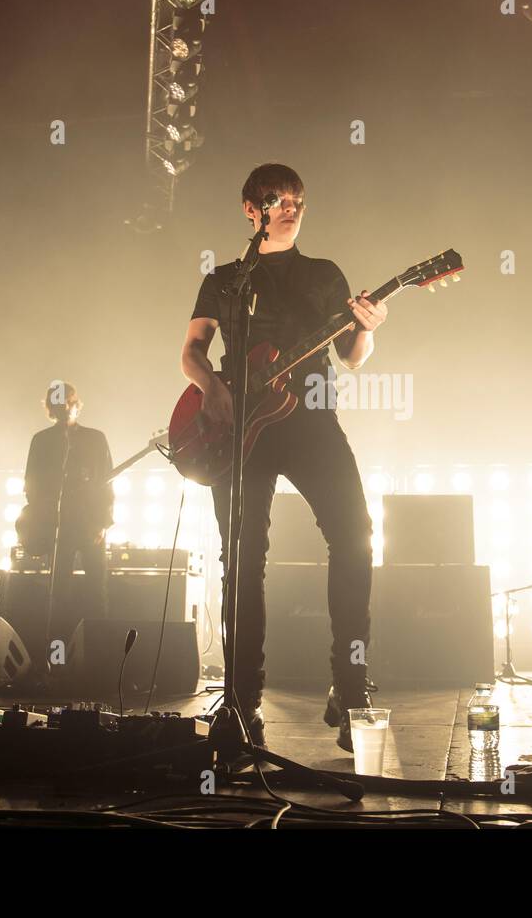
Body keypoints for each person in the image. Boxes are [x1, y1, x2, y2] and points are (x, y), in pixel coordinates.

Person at [180, 162, 384, 751]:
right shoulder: (225, 279)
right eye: (277, 199)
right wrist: (211, 388)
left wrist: (368, 327)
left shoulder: (325, 274)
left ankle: (350, 686)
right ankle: (243, 703)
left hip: (313, 419)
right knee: (242, 560)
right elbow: (193, 350)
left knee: (355, 537)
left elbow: (352, 356)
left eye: (298, 198)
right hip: (242, 423)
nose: (290, 207)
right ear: (251, 209)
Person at [17, 381, 114, 652]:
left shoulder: (95, 438)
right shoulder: (42, 440)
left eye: (70, 402)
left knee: (97, 589)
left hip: (90, 522)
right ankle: (56, 657)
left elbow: (107, 482)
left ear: (77, 404)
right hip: (57, 525)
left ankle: (98, 653)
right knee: (59, 591)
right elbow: (31, 482)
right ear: (52, 408)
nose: (67, 408)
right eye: (60, 403)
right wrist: (42, 515)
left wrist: (103, 522)